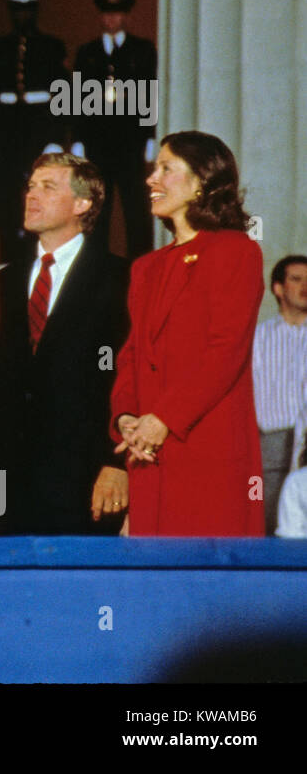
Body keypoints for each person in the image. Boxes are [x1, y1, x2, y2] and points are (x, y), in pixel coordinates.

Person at [110, 131, 263, 535]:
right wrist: (125, 414)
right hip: (147, 453)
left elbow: (226, 351)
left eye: (166, 169)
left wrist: (164, 419)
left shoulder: (237, 252)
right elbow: (130, 355)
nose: (151, 179)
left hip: (206, 449)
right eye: (153, 168)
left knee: (208, 581)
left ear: (202, 183)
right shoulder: (146, 268)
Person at [0, 153, 129, 535]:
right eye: (31, 186)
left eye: (48, 187)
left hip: (88, 482)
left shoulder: (121, 280)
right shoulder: (1, 282)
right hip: (11, 483)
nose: (32, 196)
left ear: (83, 204)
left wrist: (116, 465)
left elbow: (125, 379)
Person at [0, 0, 69, 262]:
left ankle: (39, 253)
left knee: (41, 191)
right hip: (7, 128)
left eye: (27, 12)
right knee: (6, 195)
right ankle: (7, 256)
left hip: (38, 125)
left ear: (35, 13)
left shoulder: (52, 47)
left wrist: (56, 135)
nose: (22, 17)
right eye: (17, 11)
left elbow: (62, 94)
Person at [73, 0, 158, 260]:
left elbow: (149, 93)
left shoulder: (142, 51)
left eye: (117, 14)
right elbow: (77, 96)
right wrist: (77, 138)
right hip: (97, 139)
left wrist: (150, 135)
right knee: (98, 205)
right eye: (106, 14)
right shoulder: (87, 52)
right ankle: (95, 262)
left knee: (135, 205)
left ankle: (141, 261)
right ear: (101, 17)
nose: (111, 20)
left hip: (130, 139)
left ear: (126, 17)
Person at [252, 254, 307, 534]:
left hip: (305, 444)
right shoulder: (258, 338)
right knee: (265, 519)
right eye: (296, 280)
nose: (305, 287)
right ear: (278, 288)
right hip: (268, 446)